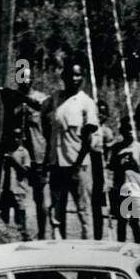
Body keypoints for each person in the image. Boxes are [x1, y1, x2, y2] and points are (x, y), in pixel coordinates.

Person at [0, 60, 51, 238]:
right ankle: (20, 232)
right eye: (20, 76)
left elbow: (43, 113)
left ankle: (42, 234)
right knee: (14, 193)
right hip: (17, 153)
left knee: (39, 195)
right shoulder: (12, 99)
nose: (24, 80)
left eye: (27, 76)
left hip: (37, 153)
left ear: (32, 78)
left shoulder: (42, 98)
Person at [48, 64, 99, 239]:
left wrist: (76, 167)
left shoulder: (86, 103)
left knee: (83, 212)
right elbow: (43, 117)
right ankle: (58, 250)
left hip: (78, 165)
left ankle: (88, 254)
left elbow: (88, 140)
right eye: (71, 75)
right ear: (64, 76)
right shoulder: (55, 98)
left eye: (78, 75)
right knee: (56, 211)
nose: (74, 79)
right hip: (57, 164)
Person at [112, 119, 140, 245]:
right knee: (121, 219)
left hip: (135, 188)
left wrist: (135, 163)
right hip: (122, 186)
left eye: (131, 129)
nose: (129, 132)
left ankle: (138, 243)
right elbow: (111, 166)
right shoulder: (117, 147)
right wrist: (119, 162)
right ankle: (120, 244)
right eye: (126, 130)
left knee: (134, 220)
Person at [89, 100, 118, 238]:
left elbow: (109, 153)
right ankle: (96, 233)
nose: (100, 116)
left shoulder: (106, 131)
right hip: (90, 167)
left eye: (103, 113)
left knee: (102, 202)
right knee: (93, 202)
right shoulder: (90, 129)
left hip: (101, 168)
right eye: (98, 112)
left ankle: (102, 233)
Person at [0, 123, 33, 238]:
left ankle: (23, 233)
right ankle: (4, 235)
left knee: (20, 213)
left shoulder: (24, 152)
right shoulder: (6, 152)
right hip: (7, 188)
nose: (15, 139)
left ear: (22, 138)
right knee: (4, 213)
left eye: (18, 137)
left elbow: (25, 171)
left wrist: (12, 160)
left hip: (19, 188)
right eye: (14, 137)